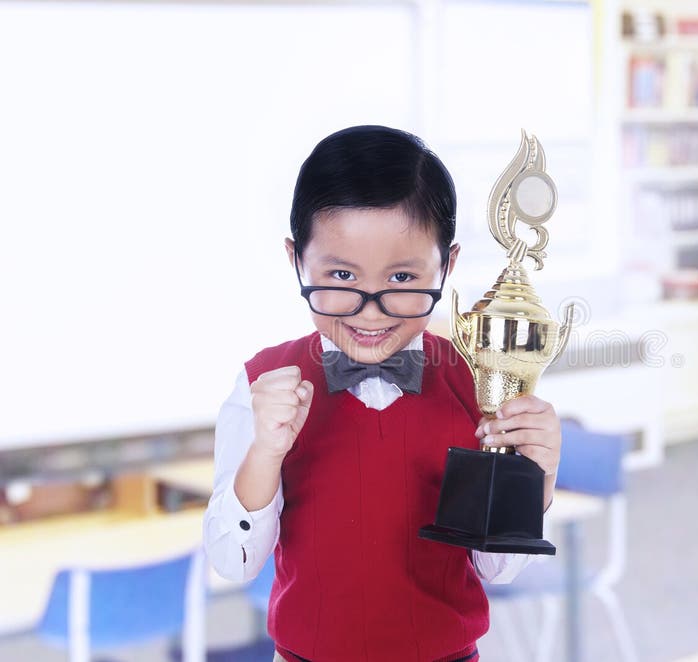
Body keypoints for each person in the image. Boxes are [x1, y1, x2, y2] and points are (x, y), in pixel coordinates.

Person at [203, 125, 563, 662]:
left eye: (401, 277)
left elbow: (499, 568)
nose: (370, 310)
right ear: (295, 260)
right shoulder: (263, 382)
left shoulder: (476, 386)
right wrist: (265, 453)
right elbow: (234, 561)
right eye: (342, 274)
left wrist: (540, 474)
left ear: (449, 266)